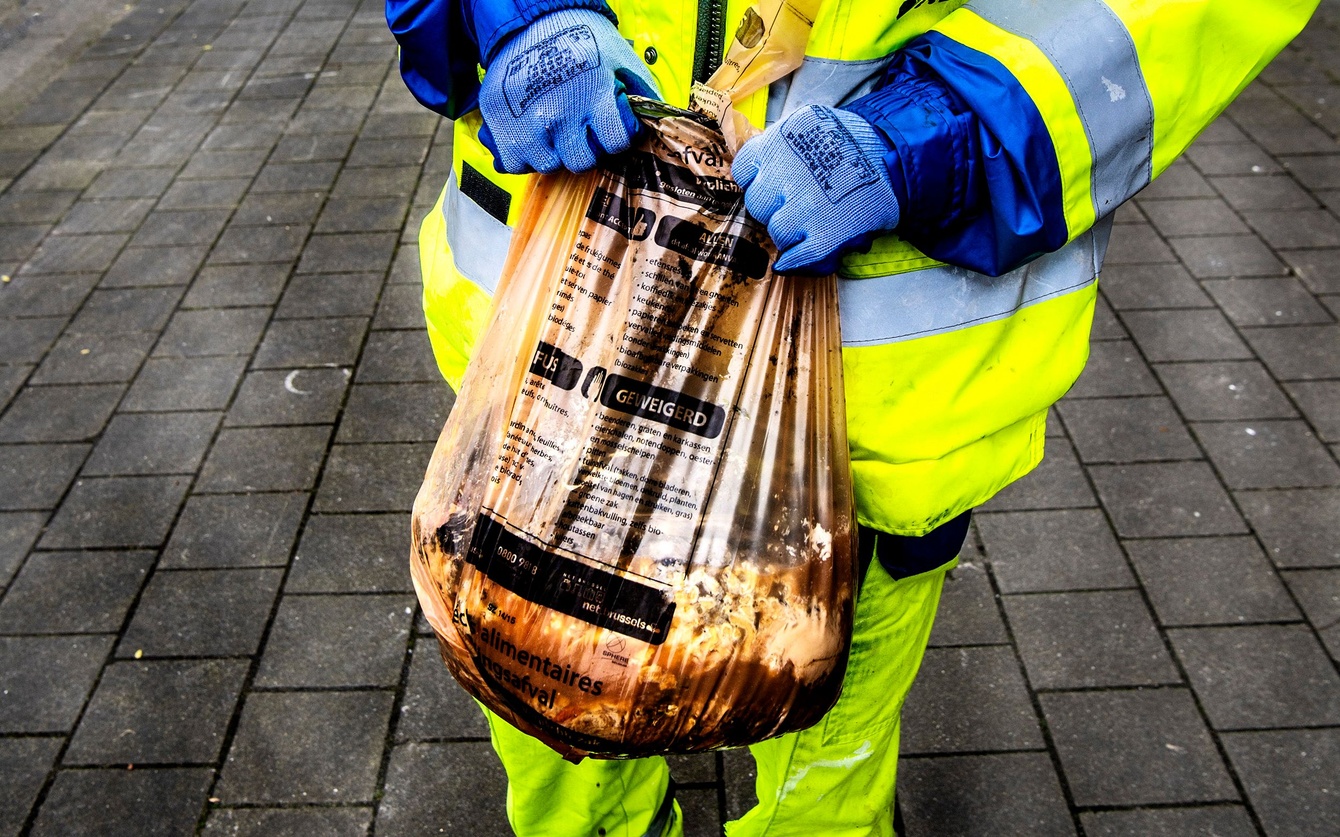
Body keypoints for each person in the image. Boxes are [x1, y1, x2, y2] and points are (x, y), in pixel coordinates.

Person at [386, 1, 1319, 834]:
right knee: (547, 726)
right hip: (557, 382)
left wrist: (931, 133)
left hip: (860, 432)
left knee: (823, 774)